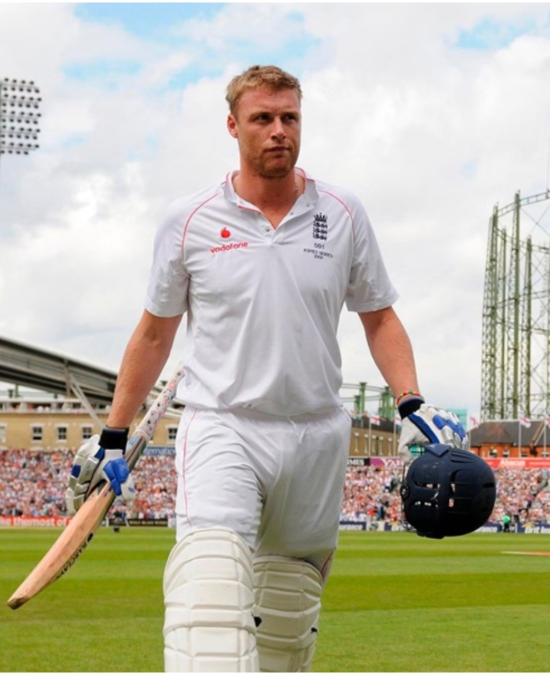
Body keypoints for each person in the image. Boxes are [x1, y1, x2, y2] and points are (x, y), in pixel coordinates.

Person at [63, 64, 466, 672]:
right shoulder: (190, 219)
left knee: (285, 626)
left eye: (289, 117)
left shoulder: (343, 212)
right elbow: (154, 333)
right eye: (263, 118)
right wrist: (114, 434)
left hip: (317, 434)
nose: (279, 130)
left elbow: (380, 317)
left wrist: (412, 400)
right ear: (233, 126)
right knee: (209, 613)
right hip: (224, 425)